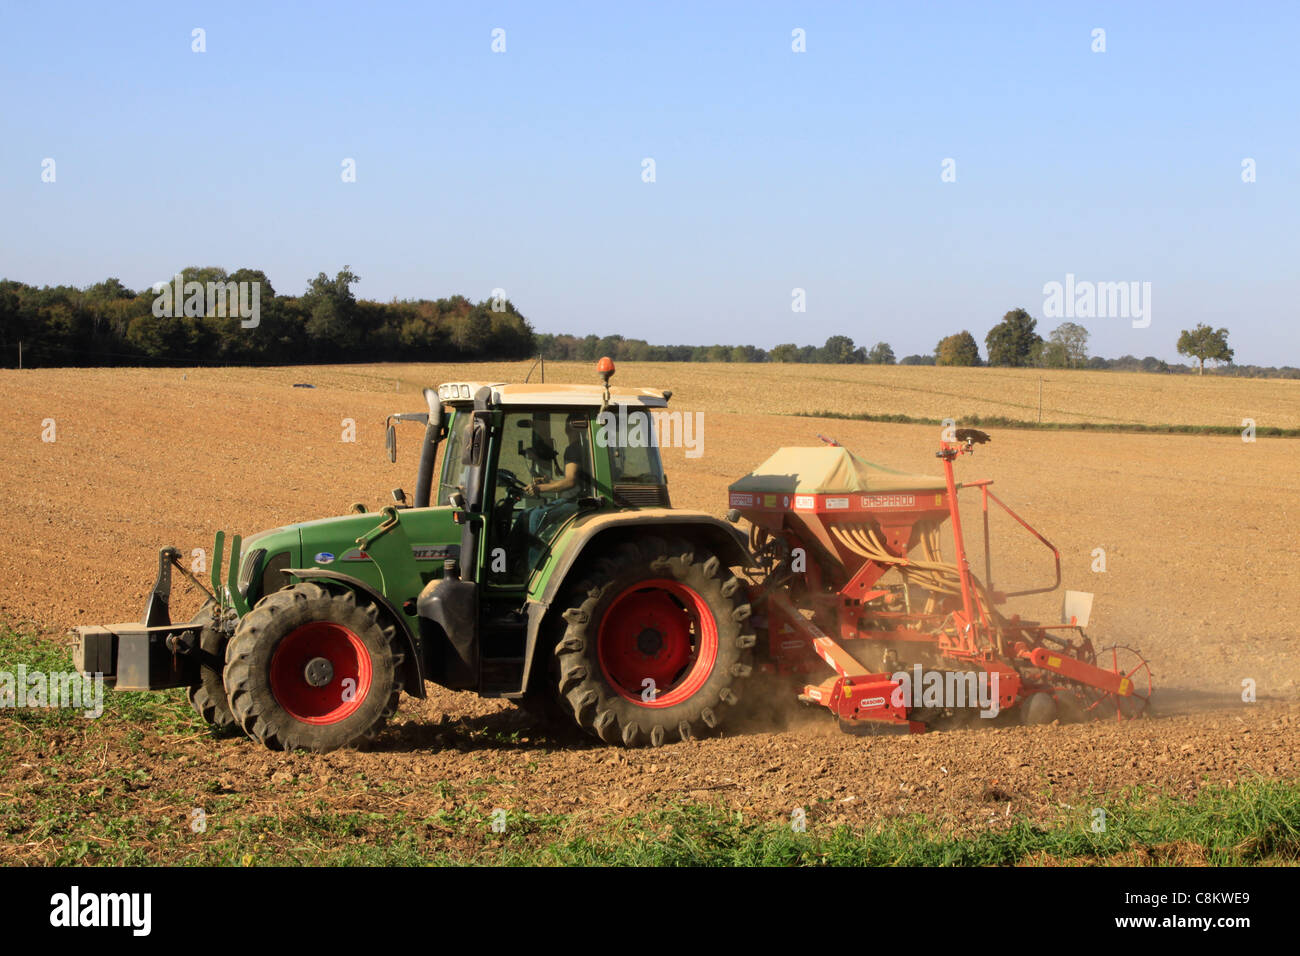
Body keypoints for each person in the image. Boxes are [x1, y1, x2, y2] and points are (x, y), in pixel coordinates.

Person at [524, 412, 588, 499]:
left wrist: (539, 488)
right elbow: (579, 481)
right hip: (579, 499)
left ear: (566, 429)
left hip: (573, 501)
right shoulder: (586, 447)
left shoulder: (573, 449)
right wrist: (550, 482)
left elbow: (570, 481)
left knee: (534, 513)